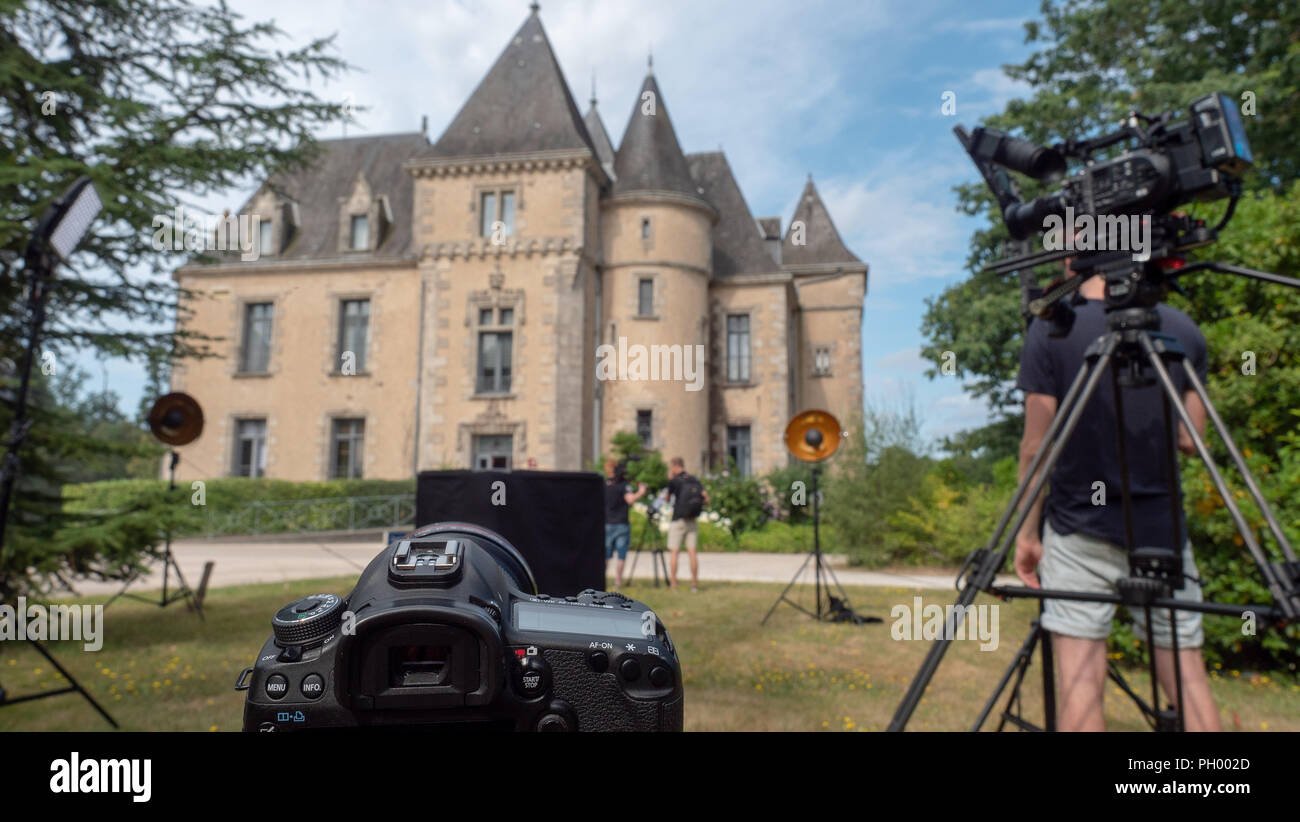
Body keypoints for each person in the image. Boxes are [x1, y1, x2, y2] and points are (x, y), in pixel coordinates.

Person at [1013, 268, 1221, 732]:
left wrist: (1026, 534)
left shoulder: (1052, 327)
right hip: (1163, 532)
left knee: (1080, 690)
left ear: (1074, 260)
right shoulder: (1181, 328)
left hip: (1077, 528)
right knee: (1189, 681)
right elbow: (1192, 440)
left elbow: (1035, 447)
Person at [665, 457, 708, 592]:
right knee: (692, 552)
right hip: (692, 520)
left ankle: (673, 585)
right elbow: (706, 498)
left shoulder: (675, 480)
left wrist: (669, 480)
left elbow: (667, 498)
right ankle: (694, 585)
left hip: (678, 519)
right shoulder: (694, 480)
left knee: (674, 552)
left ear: (674, 466)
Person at [603, 459, 646, 589]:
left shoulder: (605, 484)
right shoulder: (623, 484)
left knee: (606, 554)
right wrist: (641, 492)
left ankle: (602, 580)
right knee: (621, 555)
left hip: (608, 523)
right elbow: (630, 499)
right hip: (621, 523)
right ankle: (617, 581)